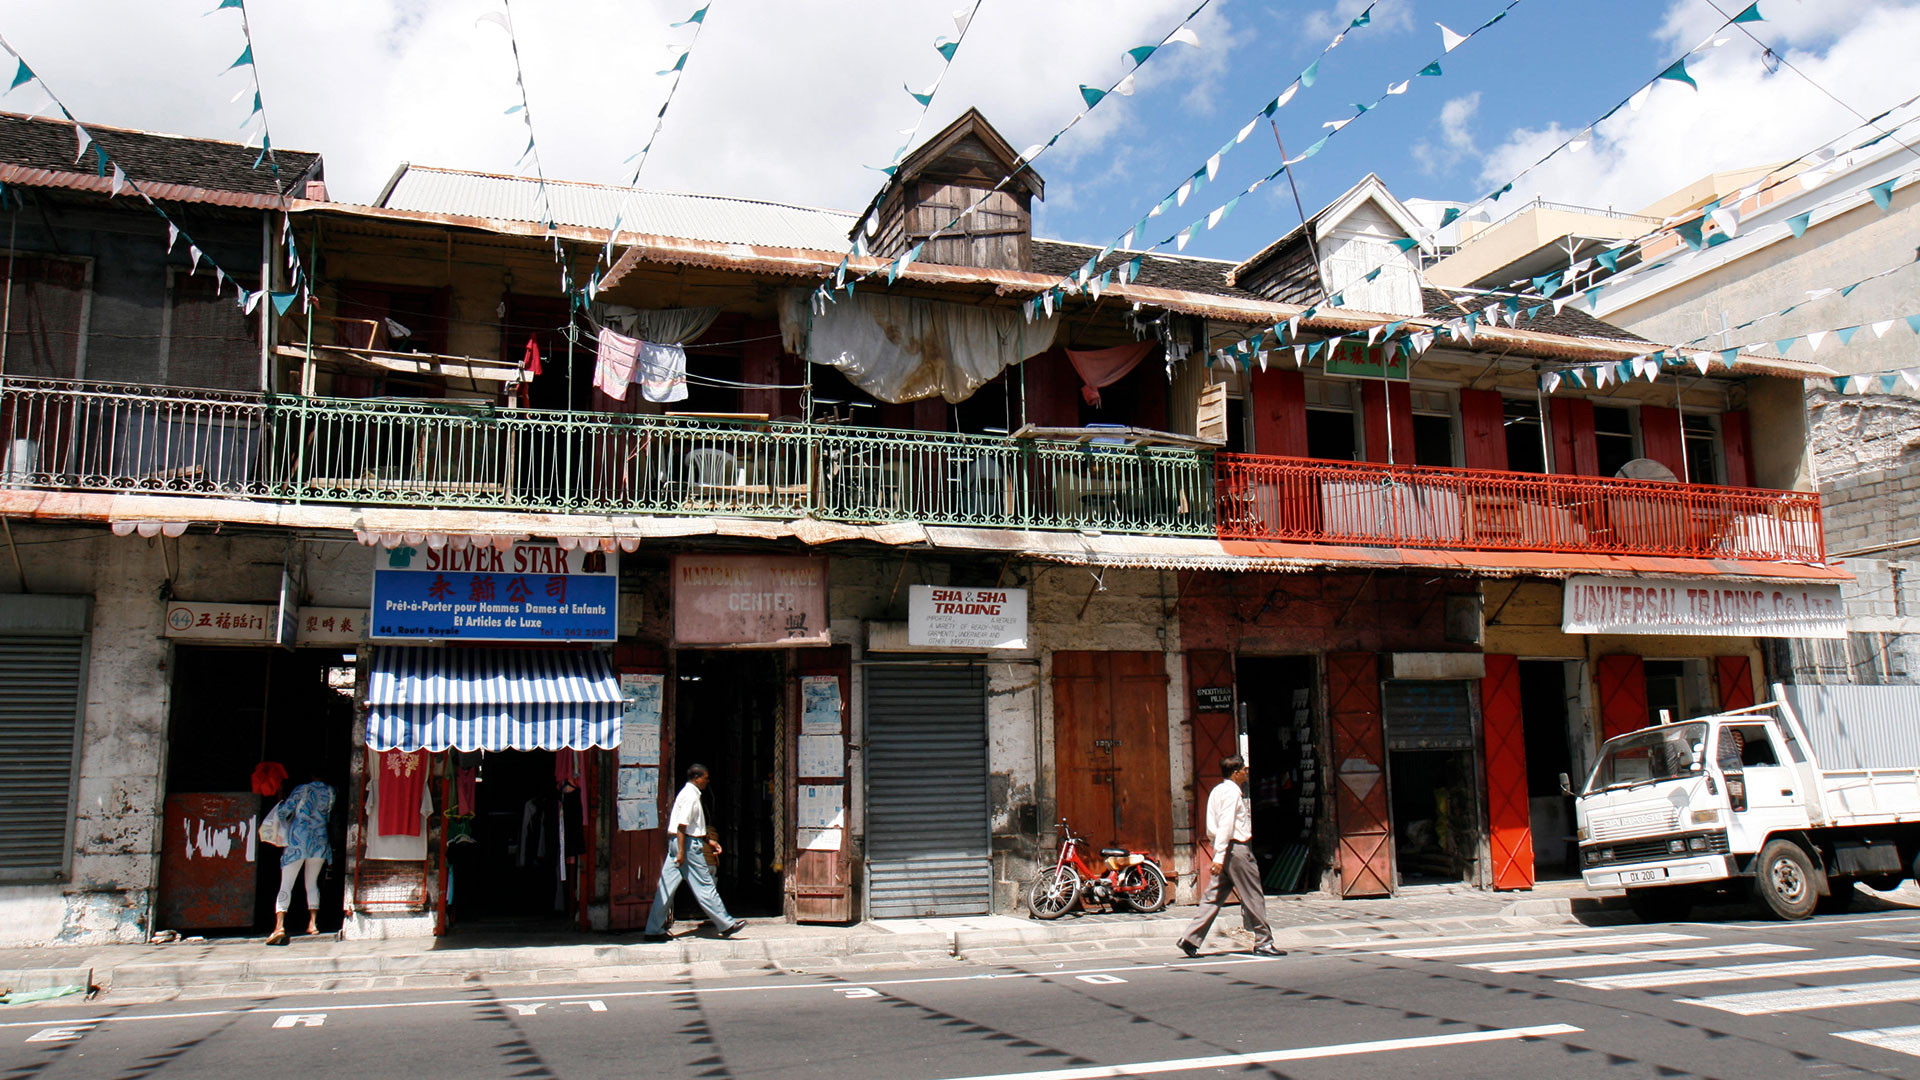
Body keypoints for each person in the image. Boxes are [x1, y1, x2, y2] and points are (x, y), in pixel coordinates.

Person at [1177, 755, 1284, 958]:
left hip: (1224, 849)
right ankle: (1264, 942)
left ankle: (1190, 938)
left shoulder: (1217, 791)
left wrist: (1219, 853)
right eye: (1244, 770)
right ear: (1236, 773)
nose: (1246, 773)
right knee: (1253, 896)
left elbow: (1215, 826)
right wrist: (1219, 857)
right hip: (1235, 850)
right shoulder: (1232, 793)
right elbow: (1226, 825)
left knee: (1213, 897)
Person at [643, 764, 746, 941]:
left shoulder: (687, 794)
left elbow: (690, 826)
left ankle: (653, 929)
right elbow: (682, 827)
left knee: (666, 887)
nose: (707, 780)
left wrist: (708, 841)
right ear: (697, 778)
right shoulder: (691, 797)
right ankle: (725, 923)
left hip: (679, 842)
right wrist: (683, 852)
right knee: (704, 885)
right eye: (705, 777)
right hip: (687, 845)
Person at [267, 771, 334, 946]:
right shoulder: (331, 792)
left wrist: (280, 798)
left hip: (298, 841)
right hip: (320, 841)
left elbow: (284, 813)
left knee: (286, 883)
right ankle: (313, 924)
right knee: (312, 883)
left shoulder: (302, 790)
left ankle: (279, 925)